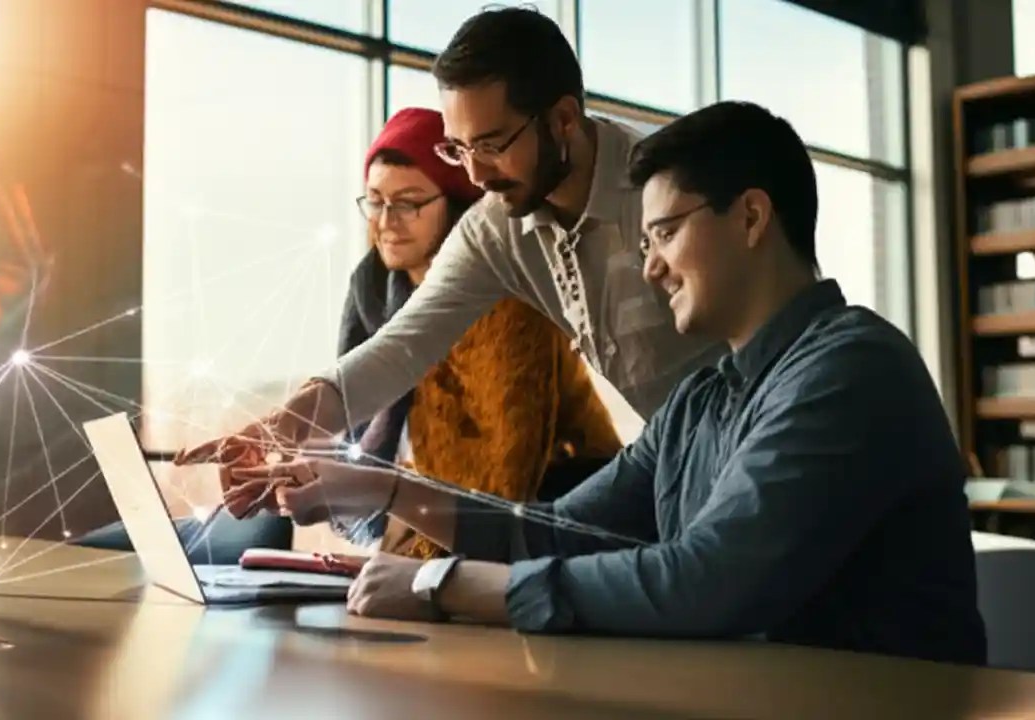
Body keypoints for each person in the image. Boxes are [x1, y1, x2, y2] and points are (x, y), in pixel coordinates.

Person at [228, 100, 989, 667]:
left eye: (664, 233)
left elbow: (712, 580)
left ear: (752, 217)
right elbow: (553, 530)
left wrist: (444, 585)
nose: (650, 265)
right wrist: (387, 490)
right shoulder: (703, 399)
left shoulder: (850, 369)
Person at [174, 6, 724, 471]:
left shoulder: (671, 189)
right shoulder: (497, 226)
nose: (476, 175)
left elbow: (777, 329)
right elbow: (400, 348)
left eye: (492, 144)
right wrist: (281, 427)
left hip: (773, 443)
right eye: (458, 149)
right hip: (690, 460)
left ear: (562, 120)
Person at [338, 106, 622, 559]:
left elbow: (502, 481)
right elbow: (374, 444)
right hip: (438, 516)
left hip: (556, 520)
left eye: (409, 202)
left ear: (453, 204)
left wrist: (410, 562)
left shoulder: (503, 299)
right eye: (375, 200)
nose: (387, 221)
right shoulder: (373, 289)